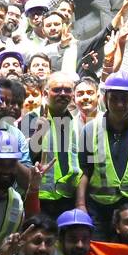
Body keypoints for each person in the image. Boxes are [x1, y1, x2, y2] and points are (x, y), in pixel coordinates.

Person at [77, 72, 128, 238]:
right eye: (114, 99)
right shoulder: (91, 130)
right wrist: (81, 204)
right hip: (100, 208)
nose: (119, 104)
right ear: (105, 99)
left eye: (124, 99)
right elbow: (86, 170)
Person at [22, 71, 81, 220]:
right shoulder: (31, 118)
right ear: (46, 93)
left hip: (68, 199)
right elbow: (25, 158)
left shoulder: (75, 122)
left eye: (67, 90)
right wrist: (39, 133)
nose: (63, 93)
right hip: (39, 198)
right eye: (57, 90)